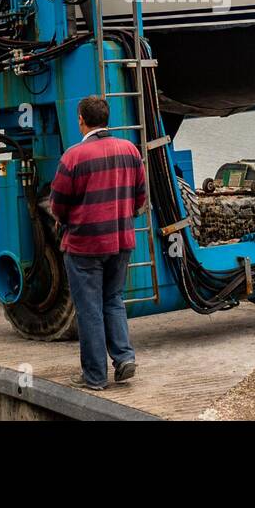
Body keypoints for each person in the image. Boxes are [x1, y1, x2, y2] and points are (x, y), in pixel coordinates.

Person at [48, 95, 147, 390]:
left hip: (84, 246)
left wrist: (64, 221)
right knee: (113, 300)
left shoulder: (73, 157)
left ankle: (94, 376)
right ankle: (124, 358)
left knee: (89, 308)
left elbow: (58, 204)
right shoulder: (130, 150)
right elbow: (140, 196)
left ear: (81, 120)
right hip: (121, 239)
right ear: (107, 119)